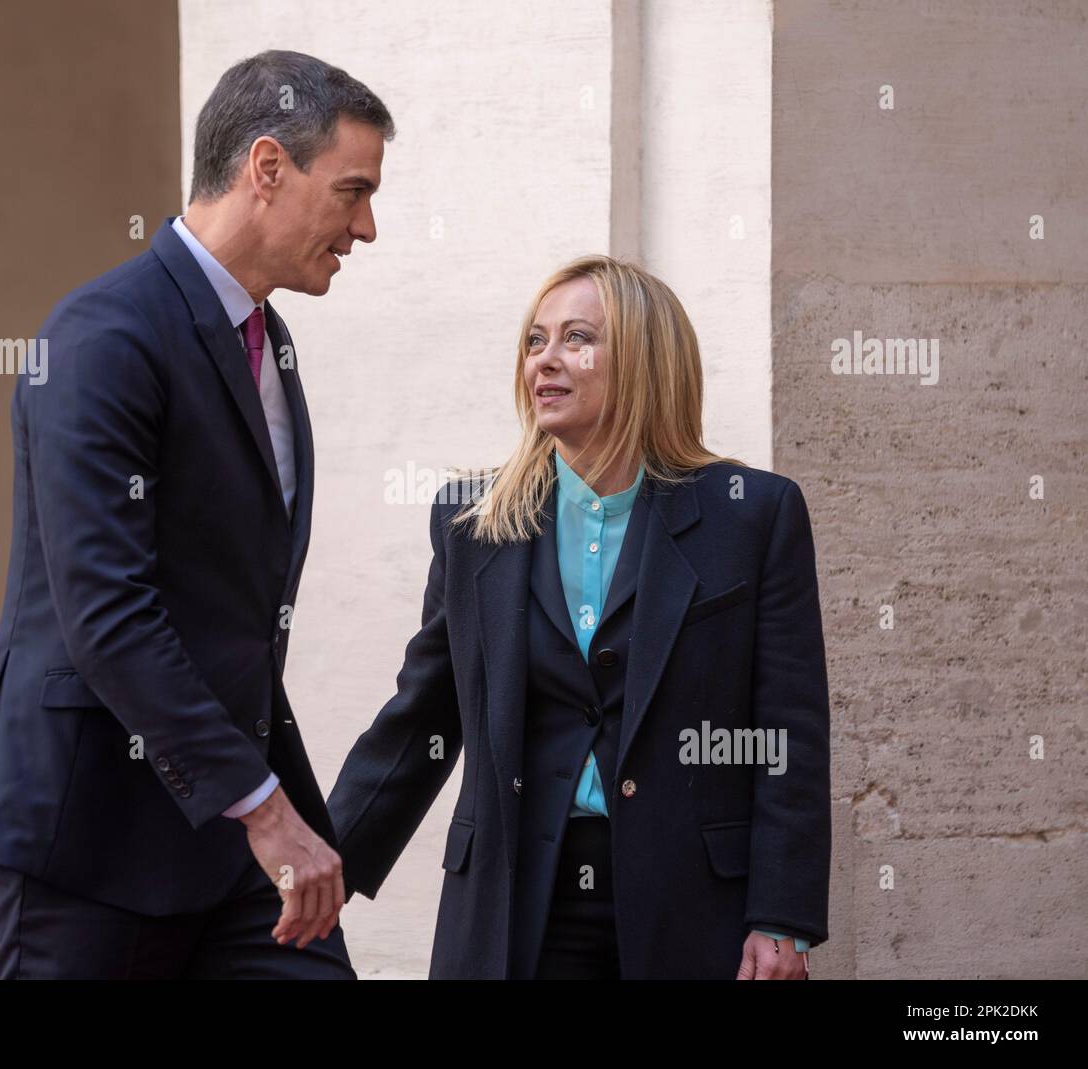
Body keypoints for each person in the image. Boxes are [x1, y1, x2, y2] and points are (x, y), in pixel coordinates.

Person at [0, 50, 393, 979]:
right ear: (267, 169)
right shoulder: (101, 337)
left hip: (232, 844)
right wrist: (264, 806)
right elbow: (108, 615)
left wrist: (267, 807)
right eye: (352, 191)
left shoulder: (269, 338)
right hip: (91, 836)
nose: (366, 227)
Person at [327, 255, 831, 979]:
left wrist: (782, 918)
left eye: (576, 338)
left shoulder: (751, 516)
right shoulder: (474, 523)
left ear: (644, 360)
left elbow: (784, 733)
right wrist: (319, 862)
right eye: (535, 341)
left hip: (692, 904)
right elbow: (425, 719)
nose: (545, 361)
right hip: (513, 902)